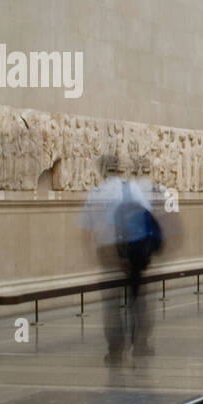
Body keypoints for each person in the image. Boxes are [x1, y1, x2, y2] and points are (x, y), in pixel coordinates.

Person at [79, 153, 163, 363]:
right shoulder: (132, 188)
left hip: (107, 252)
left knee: (111, 304)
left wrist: (94, 253)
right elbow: (147, 215)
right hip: (132, 250)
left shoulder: (95, 193)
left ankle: (115, 349)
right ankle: (140, 343)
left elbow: (85, 229)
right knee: (138, 300)